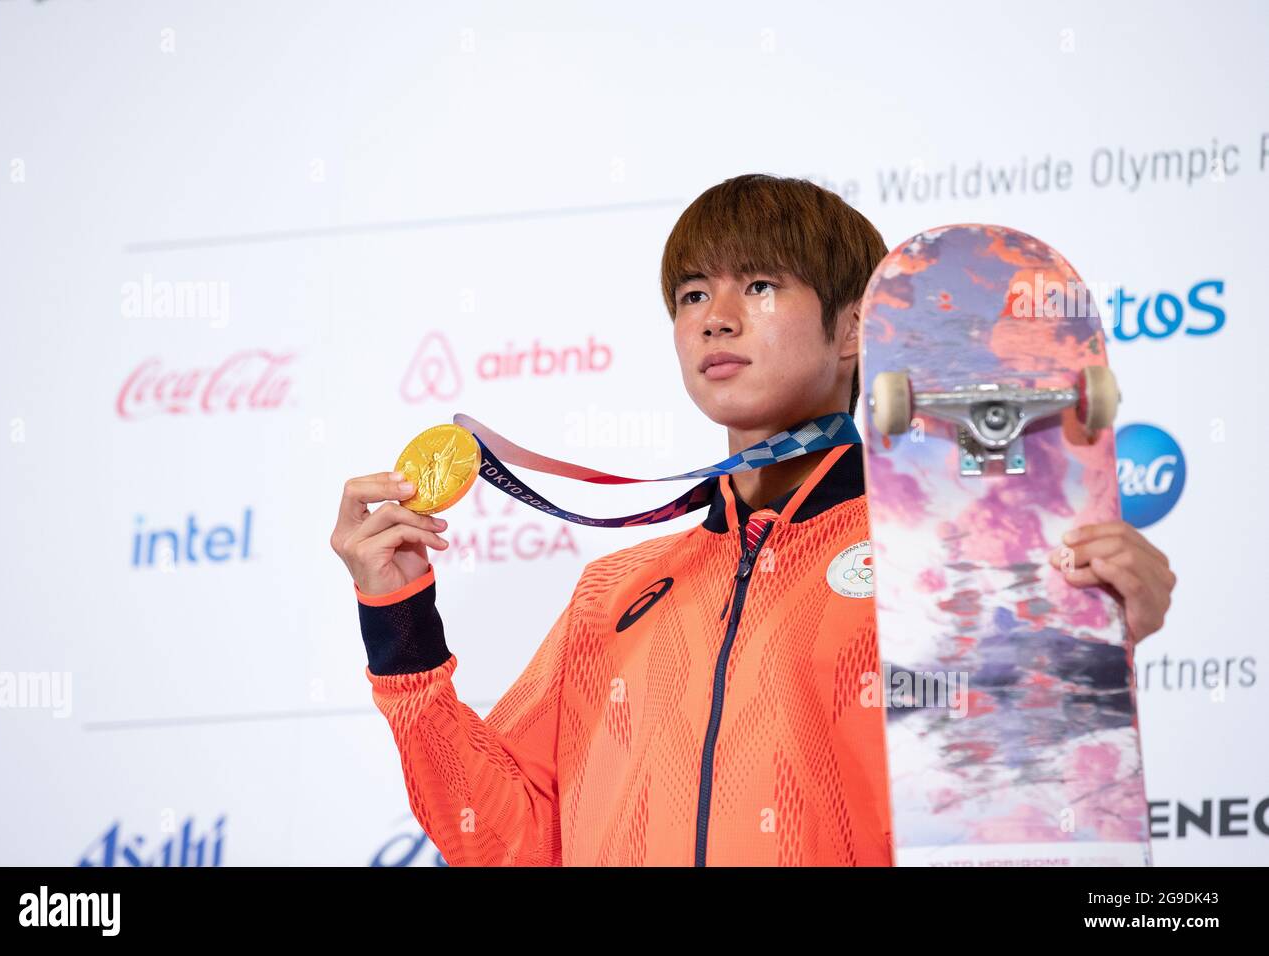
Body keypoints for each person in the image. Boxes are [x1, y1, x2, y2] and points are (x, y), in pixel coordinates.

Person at [329, 174, 1177, 866]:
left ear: (854, 330)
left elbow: (1014, 804)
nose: (714, 316)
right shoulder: (613, 592)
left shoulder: (940, 563)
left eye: (760, 286)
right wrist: (401, 625)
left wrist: (1083, 633)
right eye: (693, 293)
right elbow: (502, 838)